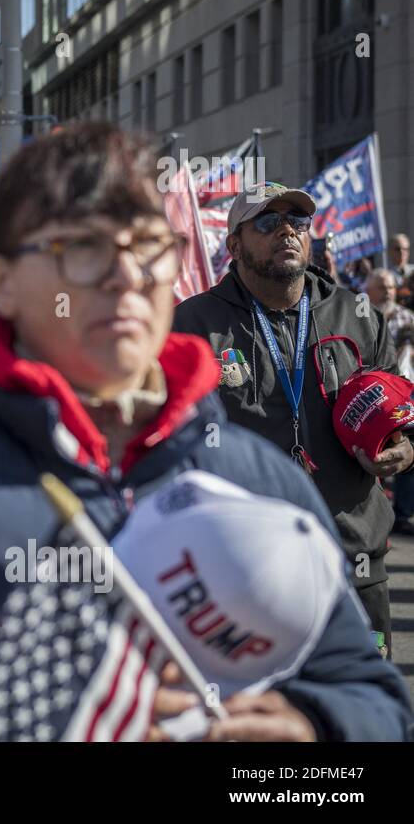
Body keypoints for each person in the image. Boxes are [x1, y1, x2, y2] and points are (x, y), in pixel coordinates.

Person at [0, 123, 412, 742]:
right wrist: (19, 690)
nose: (127, 277)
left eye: (148, 248)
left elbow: (372, 700)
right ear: (4, 279)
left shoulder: (259, 479)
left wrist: (313, 729)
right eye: (84, 250)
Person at [173, 181, 409, 659]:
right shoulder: (191, 325)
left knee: (363, 710)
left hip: (354, 554)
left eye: (298, 222)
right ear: (234, 244)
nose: (287, 231)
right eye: (267, 221)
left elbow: (401, 407)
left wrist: (404, 447)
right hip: (246, 561)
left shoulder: (357, 314)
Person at [363, 268, 414, 538]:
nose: (388, 292)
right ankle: (373, 515)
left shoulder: (407, 318)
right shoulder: (359, 318)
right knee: (371, 455)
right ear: (367, 290)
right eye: (382, 286)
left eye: (392, 287)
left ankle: (402, 514)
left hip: (402, 395)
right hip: (371, 398)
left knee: (402, 450)